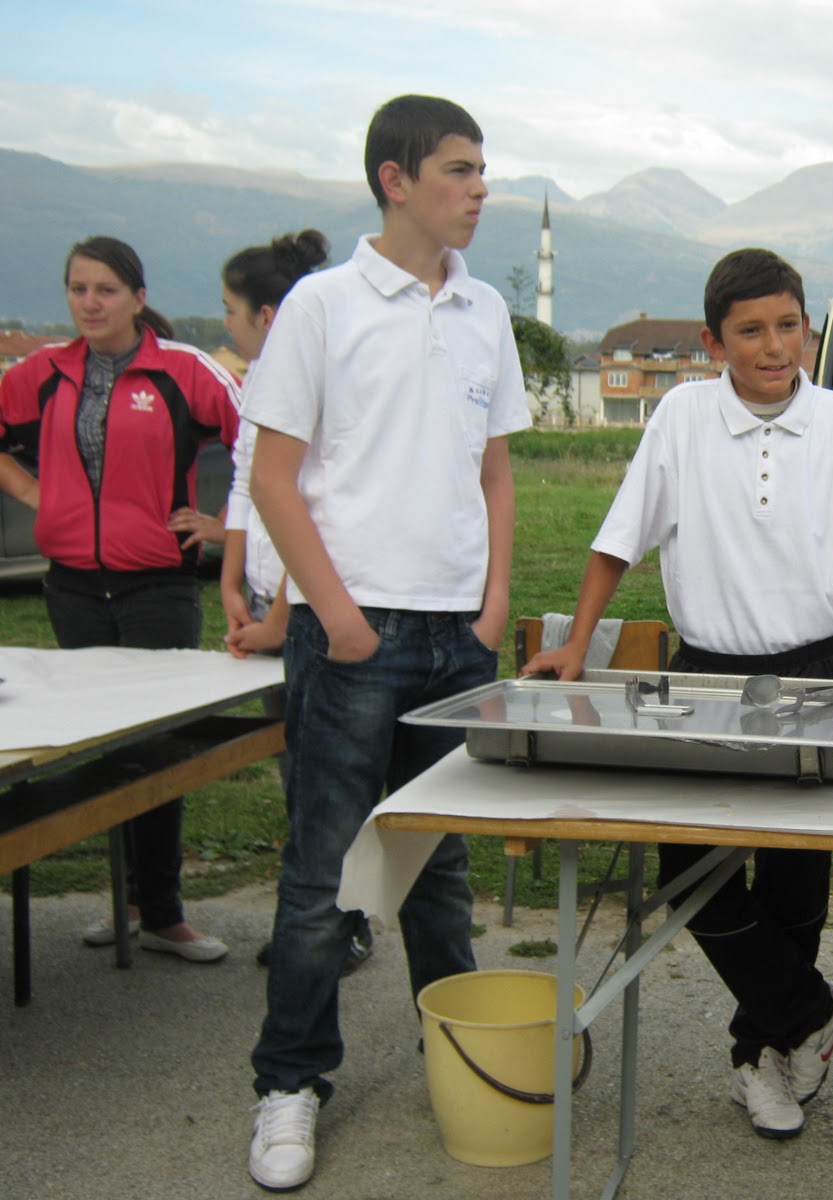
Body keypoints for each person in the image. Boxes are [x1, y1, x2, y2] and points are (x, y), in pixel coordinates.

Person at [527, 247, 833, 1140]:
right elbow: (619, 538)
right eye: (751, 330)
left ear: (808, 331)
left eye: (788, 325)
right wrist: (571, 647)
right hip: (701, 675)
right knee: (687, 871)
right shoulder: (679, 415)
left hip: (818, 671)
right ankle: (813, 1012)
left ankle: (765, 1059)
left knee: (796, 881)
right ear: (715, 341)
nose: (773, 344)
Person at [241, 95, 530, 1191]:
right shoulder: (321, 305)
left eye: (483, 169)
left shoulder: (486, 309)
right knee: (324, 874)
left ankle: (451, 1048)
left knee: (439, 867)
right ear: (394, 178)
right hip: (353, 632)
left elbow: (495, 469)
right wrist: (341, 616)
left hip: (460, 637)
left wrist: (494, 603)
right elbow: (273, 475)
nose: (480, 187)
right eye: (459, 169)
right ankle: (290, 1083)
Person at [0, 235, 241, 963]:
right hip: (73, 585)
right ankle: (121, 902)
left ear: (138, 298)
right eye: (78, 289)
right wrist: (40, 498)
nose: (90, 303)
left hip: (157, 587)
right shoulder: (39, 374)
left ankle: (161, 909)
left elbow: (267, 441)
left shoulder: (183, 371)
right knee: (100, 746)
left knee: (156, 748)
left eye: (105, 289)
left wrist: (225, 526)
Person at [215, 228, 376, 978]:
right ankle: (318, 923)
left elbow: (303, 508)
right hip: (270, 601)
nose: (226, 325)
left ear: (270, 317)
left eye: (232, 312)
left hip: (306, 608)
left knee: (322, 791)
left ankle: (338, 926)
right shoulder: (255, 390)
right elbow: (246, 494)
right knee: (300, 782)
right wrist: (230, 577)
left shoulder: (304, 384)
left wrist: (279, 616)